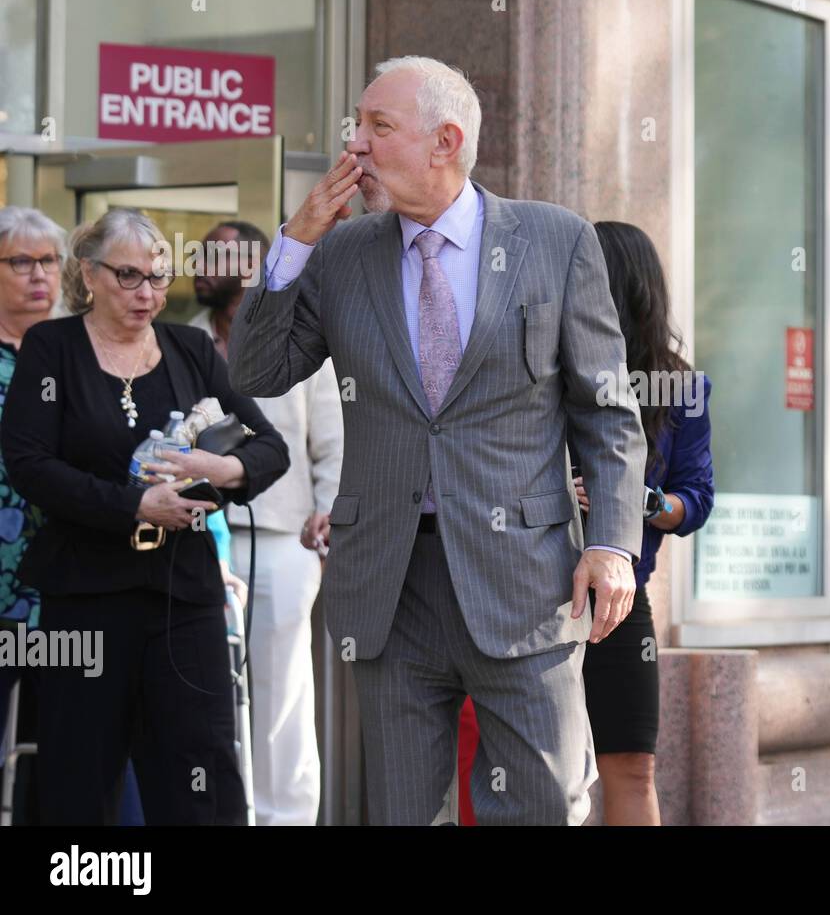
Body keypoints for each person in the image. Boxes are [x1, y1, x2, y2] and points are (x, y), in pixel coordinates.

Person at [228, 55, 647, 825]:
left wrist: (613, 545)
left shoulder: (555, 241)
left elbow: (608, 412)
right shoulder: (342, 254)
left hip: (526, 581)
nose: (356, 145)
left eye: (378, 126)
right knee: (404, 812)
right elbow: (257, 370)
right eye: (358, 125)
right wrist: (297, 239)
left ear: (445, 141)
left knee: (542, 805)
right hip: (389, 582)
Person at [1, 208, 289, 824]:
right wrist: (133, 504)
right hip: (86, 597)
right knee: (79, 775)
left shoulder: (191, 349)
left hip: (182, 595)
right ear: (90, 274)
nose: (146, 294)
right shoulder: (53, 348)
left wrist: (219, 468)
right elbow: (29, 464)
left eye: (157, 278)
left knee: (199, 769)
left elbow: (269, 448)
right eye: (128, 276)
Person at [191, 219, 343, 826]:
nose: (200, 264)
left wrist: (329, 518)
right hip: (195, 539)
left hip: (283, 539)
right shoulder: (182, 340)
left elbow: (333, 440)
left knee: (281, 693)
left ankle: (286, 819)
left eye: (217, 255)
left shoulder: (299, 341)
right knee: (203, 690)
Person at [569, 221, 713, 825]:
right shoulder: (549, 368)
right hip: (533, 591)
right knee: (543, 766)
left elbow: (696, 500)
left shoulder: (681, 386)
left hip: (620, 599)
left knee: (631, 766)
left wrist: (642, 501)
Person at [0, 207, 64, 822]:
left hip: (66, 588)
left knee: (56, 758)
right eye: (21, 261)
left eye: (49, 261)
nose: (39, 275)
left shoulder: (83, 354)